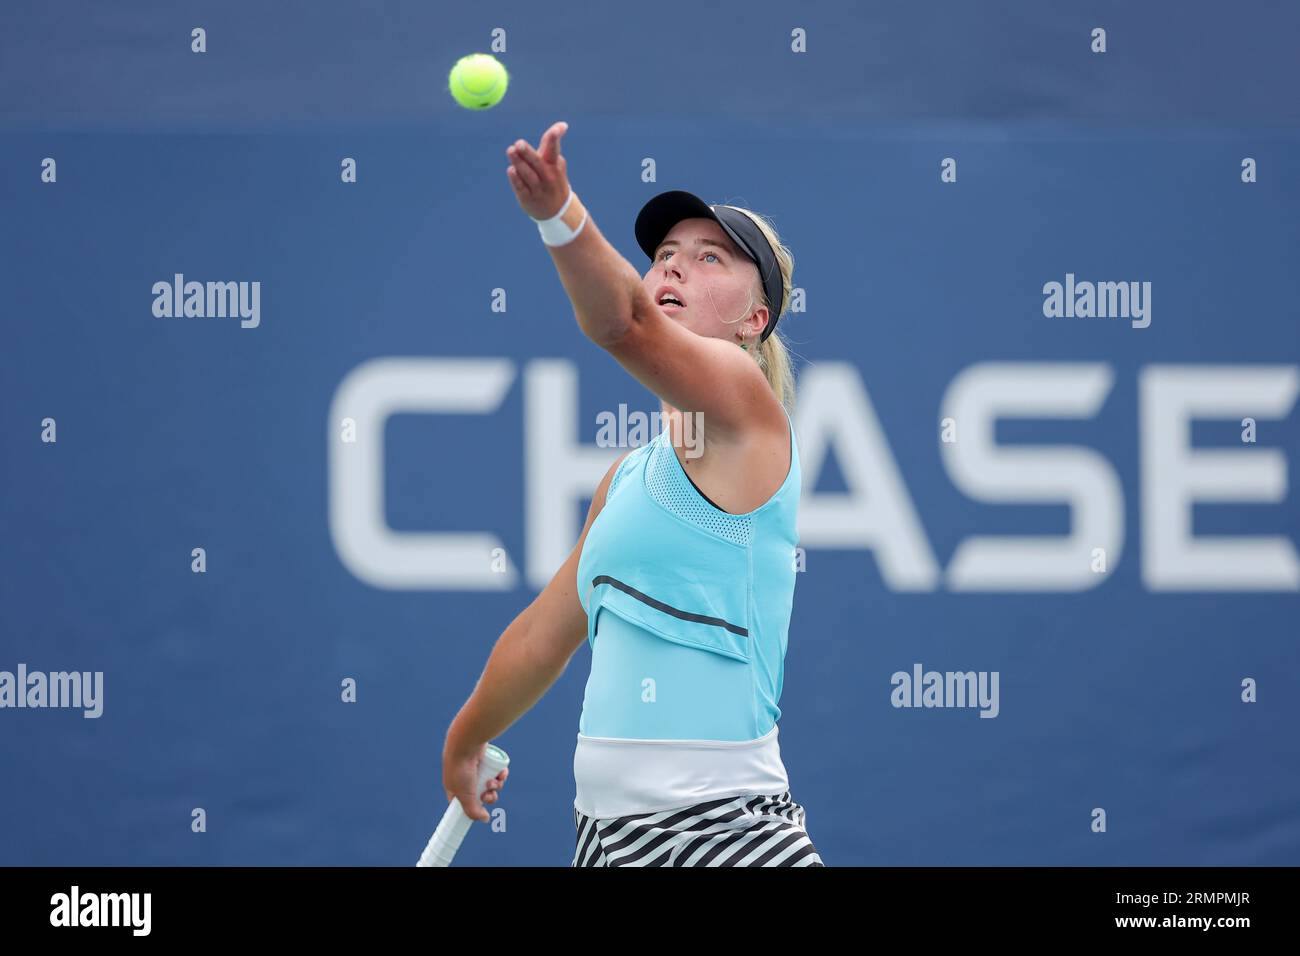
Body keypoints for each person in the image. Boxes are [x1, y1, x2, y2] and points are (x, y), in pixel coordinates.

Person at [442, 121, 822, 866]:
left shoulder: (748, 413)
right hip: (606, 843)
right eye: (665, 257)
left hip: (728, 836)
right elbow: (539, 639)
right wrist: (465, 738)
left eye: (710, 258)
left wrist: (558, 214)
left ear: (757, 320)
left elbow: (622, 323)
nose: (676, 268)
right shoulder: (625, 482)